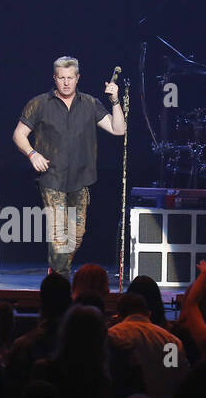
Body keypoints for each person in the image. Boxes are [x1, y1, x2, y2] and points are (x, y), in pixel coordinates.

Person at [12, 57, 126, 277]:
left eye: (70, 78)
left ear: (77, 78)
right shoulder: (39, 104)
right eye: (61, 78)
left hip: (81, 180)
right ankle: (60, 281)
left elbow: (118, 129)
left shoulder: (90, 104)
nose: (66, 83)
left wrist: (115, 101)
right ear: (55, 78)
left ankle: (56, 274)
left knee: (76, 234)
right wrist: (32, 153)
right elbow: (19, 134)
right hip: (51, 178)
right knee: (58, 234)